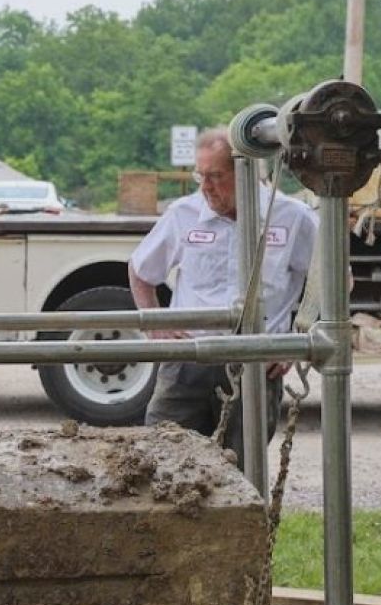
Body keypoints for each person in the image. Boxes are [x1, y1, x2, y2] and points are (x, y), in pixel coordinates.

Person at [128, 128, 319, 466]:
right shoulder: (183, 213)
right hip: (187, 361)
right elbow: (142, 271)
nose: (205, 187)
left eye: (215, 176)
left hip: (257, 364)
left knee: (242, 469)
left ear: (246, 173)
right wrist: (156, 327)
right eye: (200, 175)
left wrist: (297, 339)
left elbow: (332, 280)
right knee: (161, 460)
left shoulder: (293, 218)